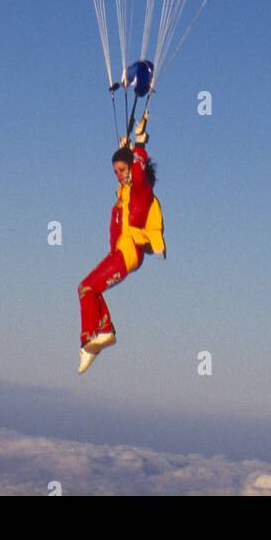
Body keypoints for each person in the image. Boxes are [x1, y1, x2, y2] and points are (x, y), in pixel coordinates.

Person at [77, 115, 165, 374]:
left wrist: (139, 144)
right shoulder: (124, 192)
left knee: (86, 288)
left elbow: (138, 172)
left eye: (122, 171)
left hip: (128, 253)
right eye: (115, 172)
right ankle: (101, 332)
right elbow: (128, 176)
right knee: (89, 290)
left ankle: (91, 340)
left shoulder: (140, 189)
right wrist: (126, 145)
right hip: (121, 253)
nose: (118, 176)